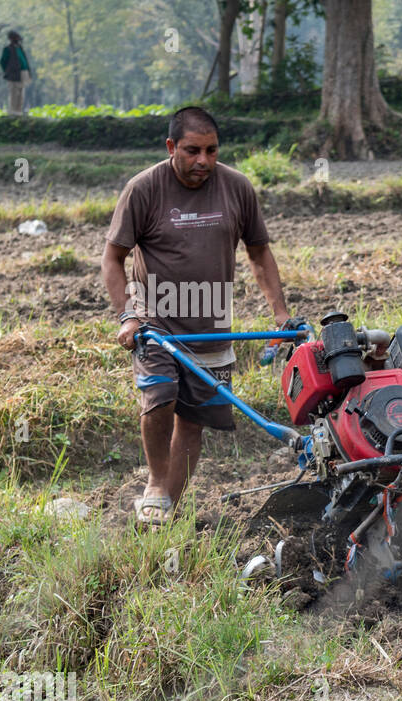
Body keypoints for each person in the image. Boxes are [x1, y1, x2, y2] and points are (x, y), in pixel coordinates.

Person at [102, 106, 291, 525]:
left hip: (211, 324)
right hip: (157, 321)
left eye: (211, 150)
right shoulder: (144, 189)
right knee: (160, 394)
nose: (203, 161)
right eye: (192, 151)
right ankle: (155, 483)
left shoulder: (236, 187)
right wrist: (127, 316)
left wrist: (280, 316)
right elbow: (113, 258)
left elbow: (259, 252)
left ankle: (166, 511)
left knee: (193, 421)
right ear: (172, 147)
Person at [0, 31, 31, 115]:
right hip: (13, 74)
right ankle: (13, 111)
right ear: (11, 39)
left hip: (23, 72)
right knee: (14, 92)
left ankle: (18, 111)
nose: (17, 39)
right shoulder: (7, 49)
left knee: (21, 92)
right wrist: (8, 71)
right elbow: (2, 62)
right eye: (15, 38)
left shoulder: (20, 48)